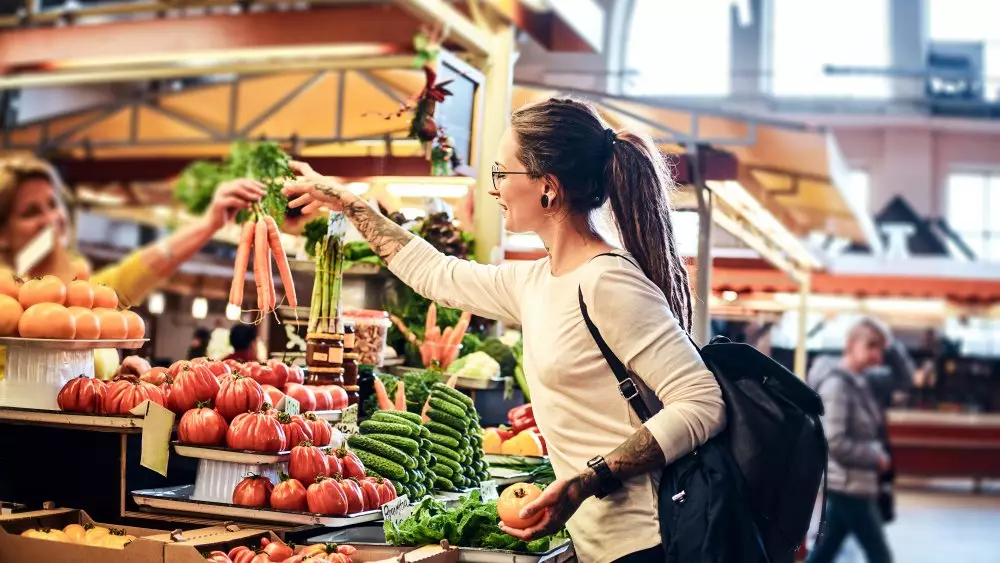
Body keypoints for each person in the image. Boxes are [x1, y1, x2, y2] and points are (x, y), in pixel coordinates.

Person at [284, 97, 726, 563]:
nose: (493, 189)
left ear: (547, 188)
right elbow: (437, 274)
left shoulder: (606, 280)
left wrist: (586, 480)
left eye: (501, 174)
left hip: (646, 545)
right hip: (598, 546)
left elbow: (702, 402)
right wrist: (352, 206)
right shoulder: (539, 279)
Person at [0, 155, 264, 377]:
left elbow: (133, 275)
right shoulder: (8, 303)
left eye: (52, 204)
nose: (51, 219)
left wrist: (115, 377)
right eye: (31, 212)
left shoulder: (80, 291)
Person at [806, 318, 894, 563]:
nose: (877, 356)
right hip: (849, 484)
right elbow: (834, 441)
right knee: (880, 555)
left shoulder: (858, 382)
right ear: (851, 344)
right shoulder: (838, 386)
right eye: (871, 346)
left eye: (880, 349)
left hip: (852, 481)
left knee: (826, 550)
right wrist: (874, 458)